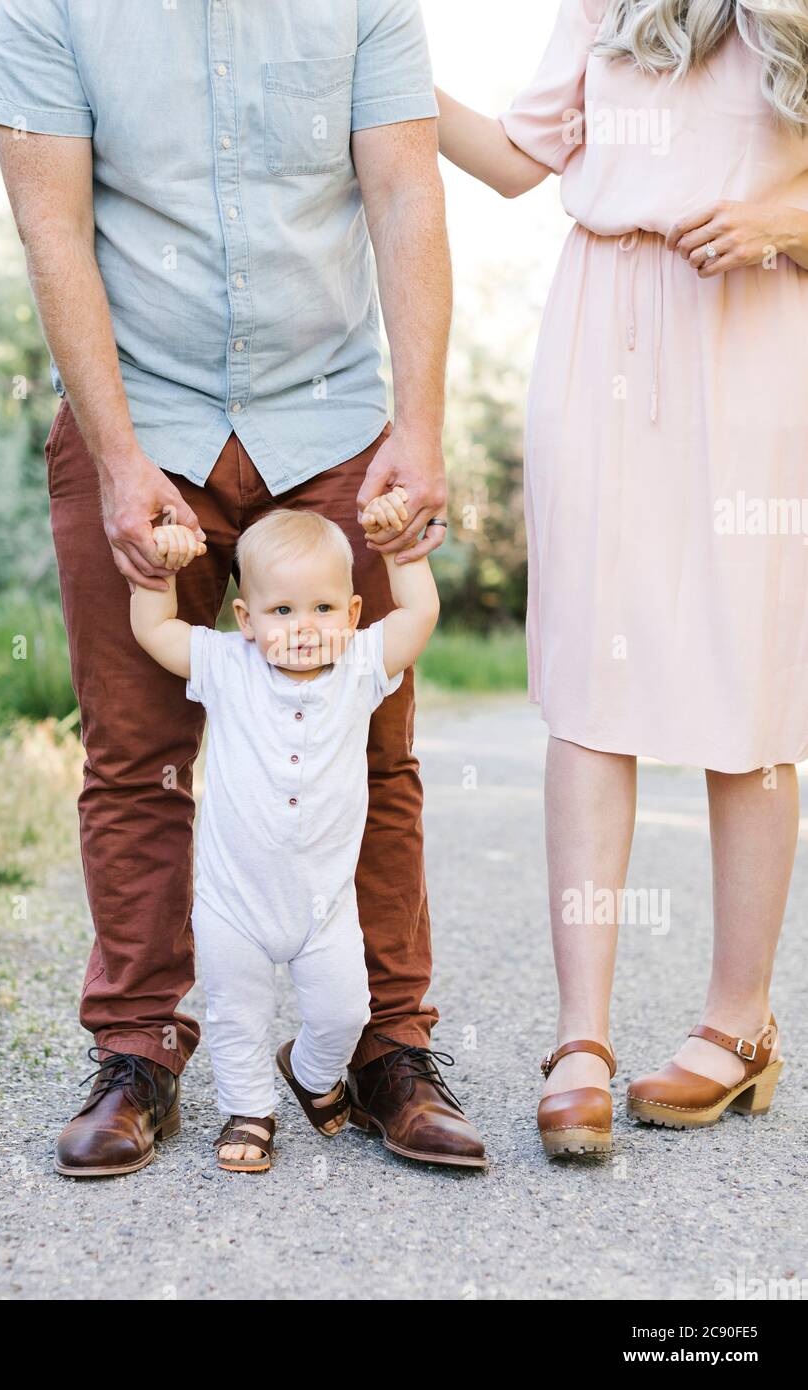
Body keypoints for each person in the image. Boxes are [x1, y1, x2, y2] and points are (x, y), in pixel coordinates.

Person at [0, 0, 487, 1175]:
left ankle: (382, 1046)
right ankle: (141, 1047)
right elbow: (52, 229)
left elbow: (406, 191)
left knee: (371, 746)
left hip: (332, 414)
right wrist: (114, 456)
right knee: (134, 753)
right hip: (138, 415)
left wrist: (416, 424)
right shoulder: (46, 10)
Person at [435, 0, 808, 1155]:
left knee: (742, 683)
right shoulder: (604, 5)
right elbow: (512, 156)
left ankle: (735, 1026)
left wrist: (775, 216)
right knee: (588, 680)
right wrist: (374, 47)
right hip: (600, 325)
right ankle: (579, 1039)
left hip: (752, 329)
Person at [127, 493, 442, 1172]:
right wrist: (156, 574)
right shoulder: (228, 666)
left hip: (323, 909)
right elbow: (155, 631)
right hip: (233, 904)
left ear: (353, 614)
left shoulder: (361, 667)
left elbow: (419, 613)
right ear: (246, 618)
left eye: (324, 608)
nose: (304, 626)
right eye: (282, 610)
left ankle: (308, 1068)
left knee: (344, 1014)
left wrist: (396, 552)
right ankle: (248, 1112)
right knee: (238, 1015)